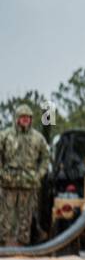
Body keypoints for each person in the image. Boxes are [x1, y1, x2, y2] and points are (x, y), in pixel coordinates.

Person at [0, 103, 51, 246]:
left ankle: (22, 245)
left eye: (28, 117)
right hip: (8, 182)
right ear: (16, 119)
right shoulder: (5, 135)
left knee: (26, 216)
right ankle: (3, 244)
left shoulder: (38, 138)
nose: (25, 120)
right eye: (22, 117)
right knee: (5, 216)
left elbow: (46, 157)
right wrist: (1, 173)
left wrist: (38, 174)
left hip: (29, 183)